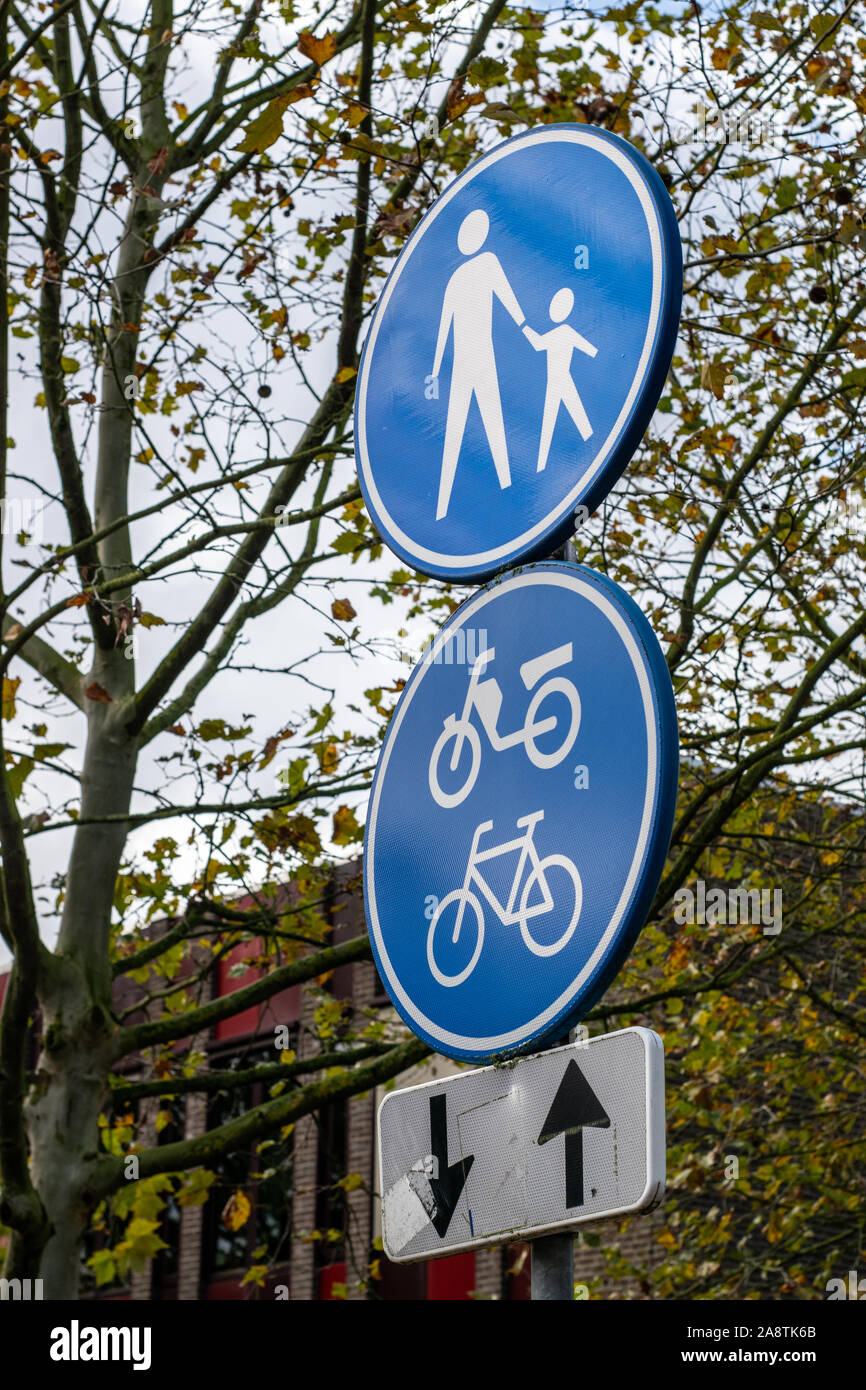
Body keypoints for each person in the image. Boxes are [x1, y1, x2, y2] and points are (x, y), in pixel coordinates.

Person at [430, 209, 526, 520]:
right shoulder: (456, 277)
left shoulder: (487, 263)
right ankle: (442, 505)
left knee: (492, 422)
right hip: (464, 361)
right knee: (459, 429)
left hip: (482, 357)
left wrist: (527, 331)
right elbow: (445, 325)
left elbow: (508, 301)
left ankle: (510, 495)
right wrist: (433, 370)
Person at [521, 287, 597, 472]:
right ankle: (542, 463)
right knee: (563, 418)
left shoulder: (565, 331)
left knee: (558, 419)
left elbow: (590, 349)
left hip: (562, 379)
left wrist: (524, 326)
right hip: (555, 381)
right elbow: (538, 344)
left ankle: (542, 462)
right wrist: (525, 328)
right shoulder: (558, 332)